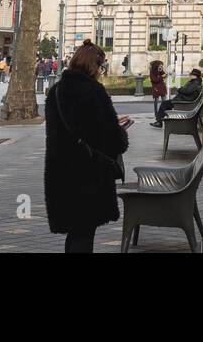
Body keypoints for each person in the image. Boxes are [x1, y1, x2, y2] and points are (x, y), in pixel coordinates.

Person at [44, 40, 131, 253]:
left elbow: (63, 131)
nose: (102, 71)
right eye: (101, 67)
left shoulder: (55, 92)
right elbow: (113, 140)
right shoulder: (94, 92)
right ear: (94, 66)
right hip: (88, 174)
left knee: (75, 232)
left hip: (61, 173)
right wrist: (121, 131)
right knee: (85, 232)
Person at [148, 60, 168, 126]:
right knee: (156, 102)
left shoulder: (160, 70)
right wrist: (161, 77)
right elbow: (154, 80)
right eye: (160, 65)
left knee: (164, 102)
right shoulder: (152, 71)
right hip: (156, 88)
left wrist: (162, 72)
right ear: (156, 65)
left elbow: (164, 75)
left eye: (162, 65)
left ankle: (164, 114)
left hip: (162, 88)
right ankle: (157, 115)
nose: (161, 66)